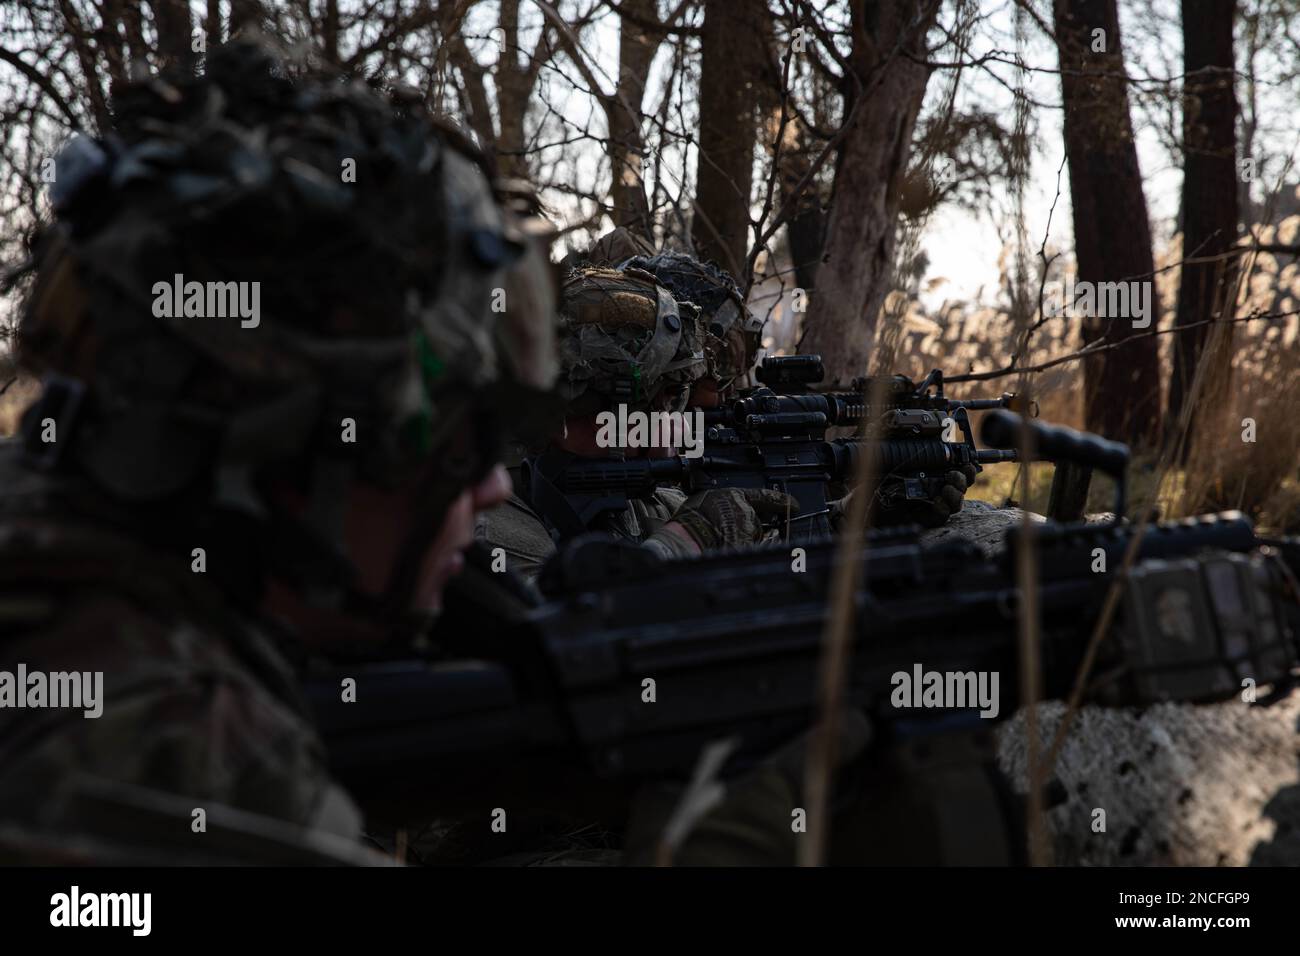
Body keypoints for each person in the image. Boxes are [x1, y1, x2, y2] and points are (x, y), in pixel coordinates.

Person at [0, 40, 556, 862]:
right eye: (450, 443)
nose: (492, 488)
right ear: (286, 458)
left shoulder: (53, 563)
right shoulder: (177, 745)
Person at [478, 264, 795, 584]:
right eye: (648, 409)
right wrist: (685, 541)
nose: (666, 431)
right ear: (580, 408)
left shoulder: (639, 501)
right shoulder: (489, 522)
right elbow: (568, 621)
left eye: (673, 404)